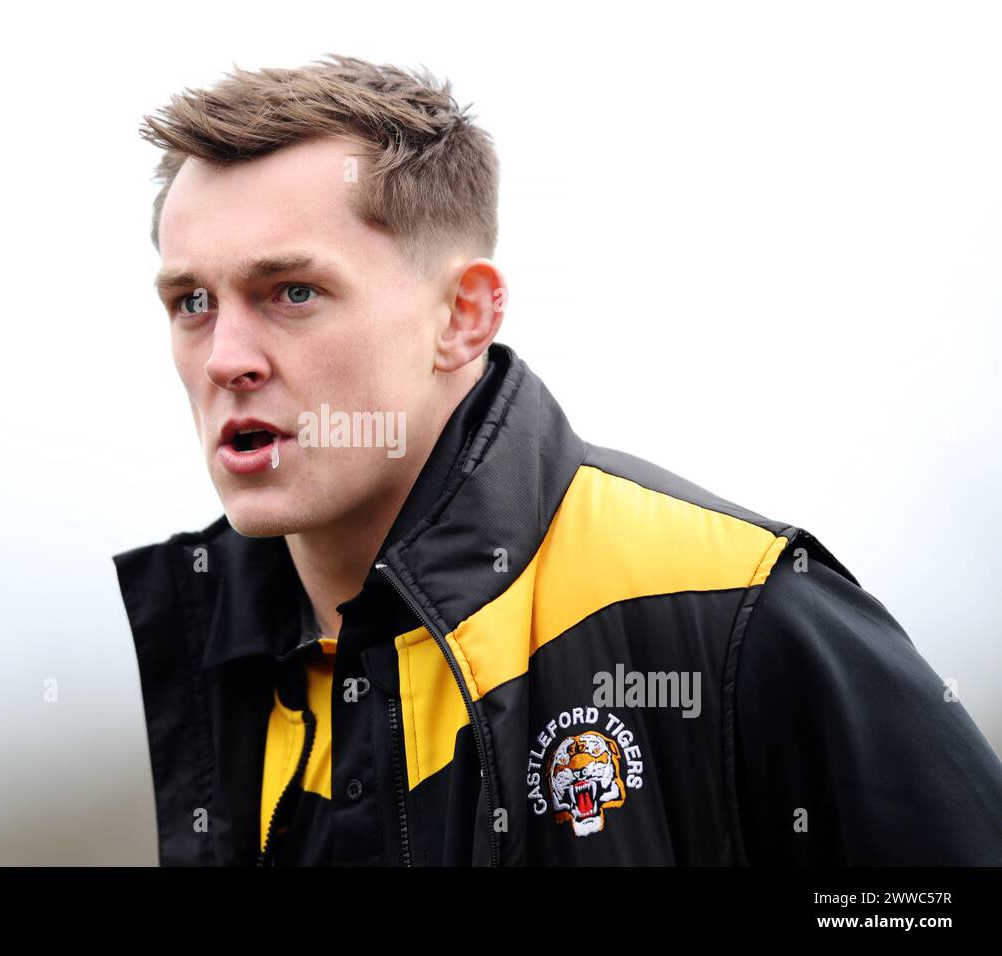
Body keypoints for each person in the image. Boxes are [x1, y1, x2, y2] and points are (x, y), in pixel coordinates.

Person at [112, 54, 1002, 865]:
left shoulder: (732, 608)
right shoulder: (214, 658)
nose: (227, 355)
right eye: (191, 301)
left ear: (463, 316)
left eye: (292, 292)